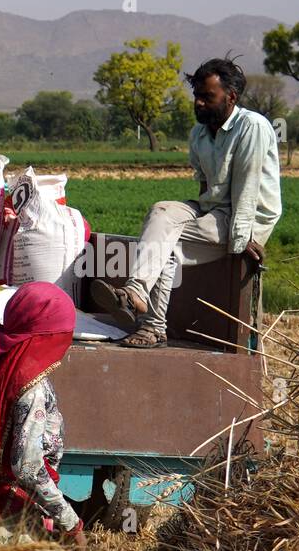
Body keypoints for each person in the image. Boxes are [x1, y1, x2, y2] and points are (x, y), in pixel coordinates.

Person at [90, 57, 282, 348]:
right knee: (161, 211)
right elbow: (205, 185)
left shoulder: (251, 126)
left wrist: (244, 242)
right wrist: (196, 212)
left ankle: (151, 327)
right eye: (197, 96)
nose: (199, 103)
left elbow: (247, 190)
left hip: (245, 216)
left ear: (231, 97)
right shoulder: (199, 134)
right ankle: (135, 293)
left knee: (166, 244)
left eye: (208, 97)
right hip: (212, 208)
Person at [0, 282, 86, 549]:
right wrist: (71, 523)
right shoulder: (32, 387)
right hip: (8, 517)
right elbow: (26, 468)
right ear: (48, 336)